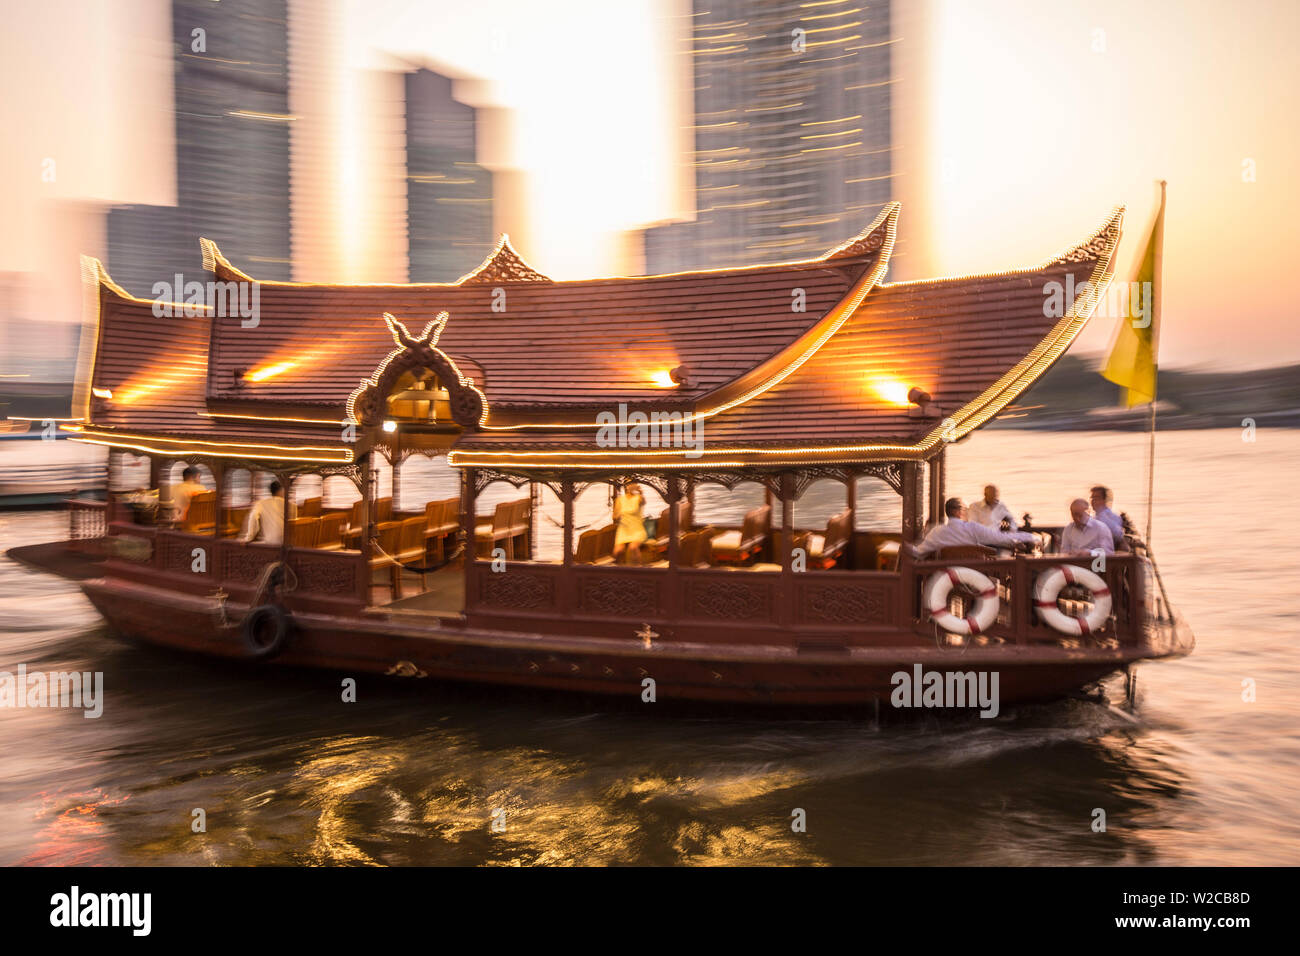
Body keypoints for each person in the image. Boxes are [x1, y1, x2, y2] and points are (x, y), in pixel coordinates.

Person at [915, 497, 1035, 558]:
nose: (968, 512)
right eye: (965, 509)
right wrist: (1030, 536)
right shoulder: (973, 528)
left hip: (947, 577)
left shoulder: (936, 532)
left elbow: (919, 552)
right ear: (958, 512)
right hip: (975, 576)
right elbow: (1000, 538)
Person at [240, 480, 294, 545]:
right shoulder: (292, 505)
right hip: (289, 543)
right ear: (281, 490)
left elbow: (253, 517)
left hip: (271, 543)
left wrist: (248, 538)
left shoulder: (261, 503)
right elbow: (293, 525)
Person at [612, 482, 647, 565]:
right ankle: (619, 570)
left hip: (637, 529)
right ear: (626, 487)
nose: (630, 487)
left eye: (632, 485)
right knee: (617, 551)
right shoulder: (620, 500)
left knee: (633, 547)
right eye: (628, 485)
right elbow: (614, 516)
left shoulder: (638, 498)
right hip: (623, 530)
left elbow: (643, 502)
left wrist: (640, 491)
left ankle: (639, 568)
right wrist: (618, 516)